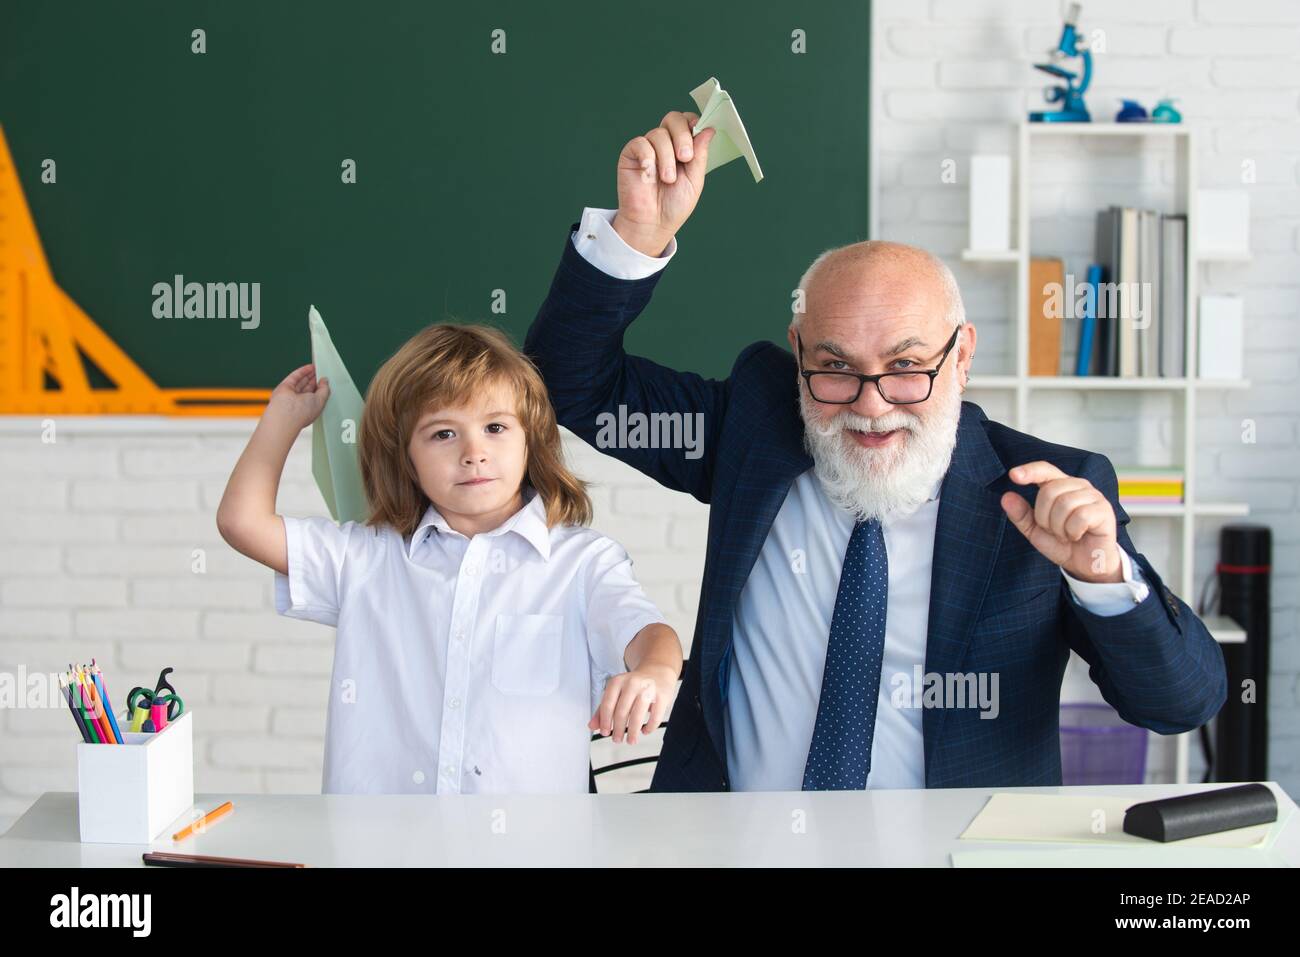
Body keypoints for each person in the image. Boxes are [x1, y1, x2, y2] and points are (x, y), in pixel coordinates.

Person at [524, 110, 1226, 792]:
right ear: (797, 352)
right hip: (733, 848)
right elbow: (568, 380)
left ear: (962, 357)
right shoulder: (756, 427)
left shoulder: (1048, 494)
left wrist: (1104, 574)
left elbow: (1180, 703)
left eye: (906, 366)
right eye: (835, 368)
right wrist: (636, 236)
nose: (870, 403)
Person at [217, 322, 683, 794]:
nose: (473, 452)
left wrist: (656, 672)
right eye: (442, 434)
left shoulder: (581, 563)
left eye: (496, 427)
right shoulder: (365, 557)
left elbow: (647, 632)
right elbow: (242, 522)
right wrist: (282, 420)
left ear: (531, 440)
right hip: (377, 851)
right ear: (406, 458)